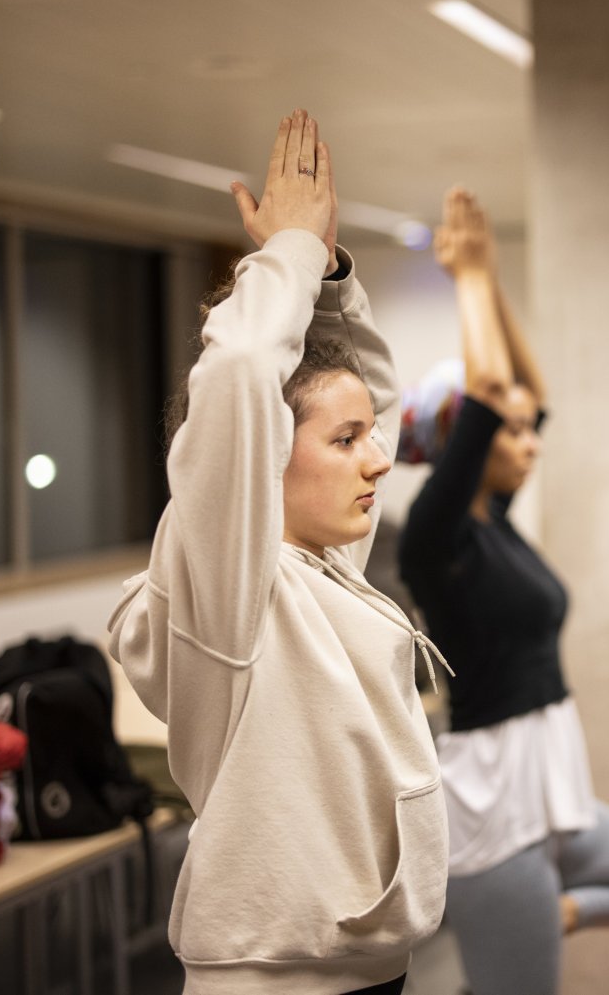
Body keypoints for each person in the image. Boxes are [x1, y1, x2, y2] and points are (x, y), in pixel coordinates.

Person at [108, 109, 447, 995]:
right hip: (273, 975)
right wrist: (287, 251)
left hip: (362, 963)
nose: (378, 455)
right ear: (264, 461)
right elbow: (237, 378)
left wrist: (330, 277)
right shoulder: (235, 593)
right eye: (344, 442)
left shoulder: (324, 566)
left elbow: (373, 396)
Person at [397, 188, 609, 995]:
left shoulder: (496, 522)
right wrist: (470, 279)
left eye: (528, 431)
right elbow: (495, 389)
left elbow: (524, 387)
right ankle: (516, 922)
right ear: (462, 446)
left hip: (553, 791)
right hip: (494, 820)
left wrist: (492, 285)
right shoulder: (434, 535)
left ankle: (542, 917)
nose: (531, 442)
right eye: (509, 433)